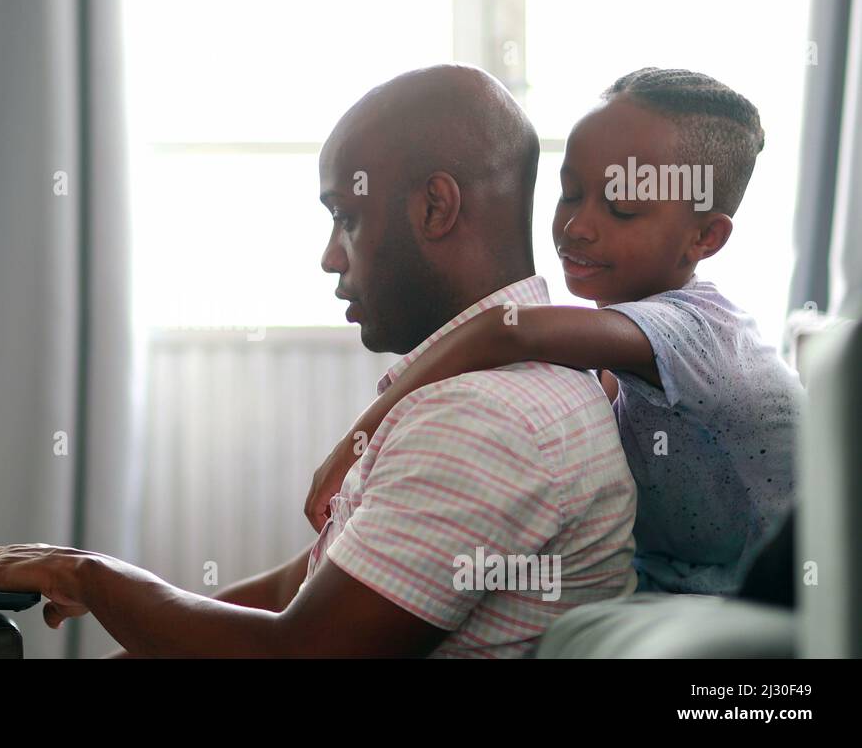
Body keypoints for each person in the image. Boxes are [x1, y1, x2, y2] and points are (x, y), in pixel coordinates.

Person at [0, 65, 636, 658]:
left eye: (347, 219)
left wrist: (93, 576)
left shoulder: (486, 416)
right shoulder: (485, 386)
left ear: (436, 207)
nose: (330, 257)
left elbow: (300, 654)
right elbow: (308, 583)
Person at [303, 68, 803, 597]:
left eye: (621, 208)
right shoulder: (621, 347)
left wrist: (358, 443)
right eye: (570, 195)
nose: (578, 226)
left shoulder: (696, 330)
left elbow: (507, 330)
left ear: (705, 237)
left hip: (790, 588)